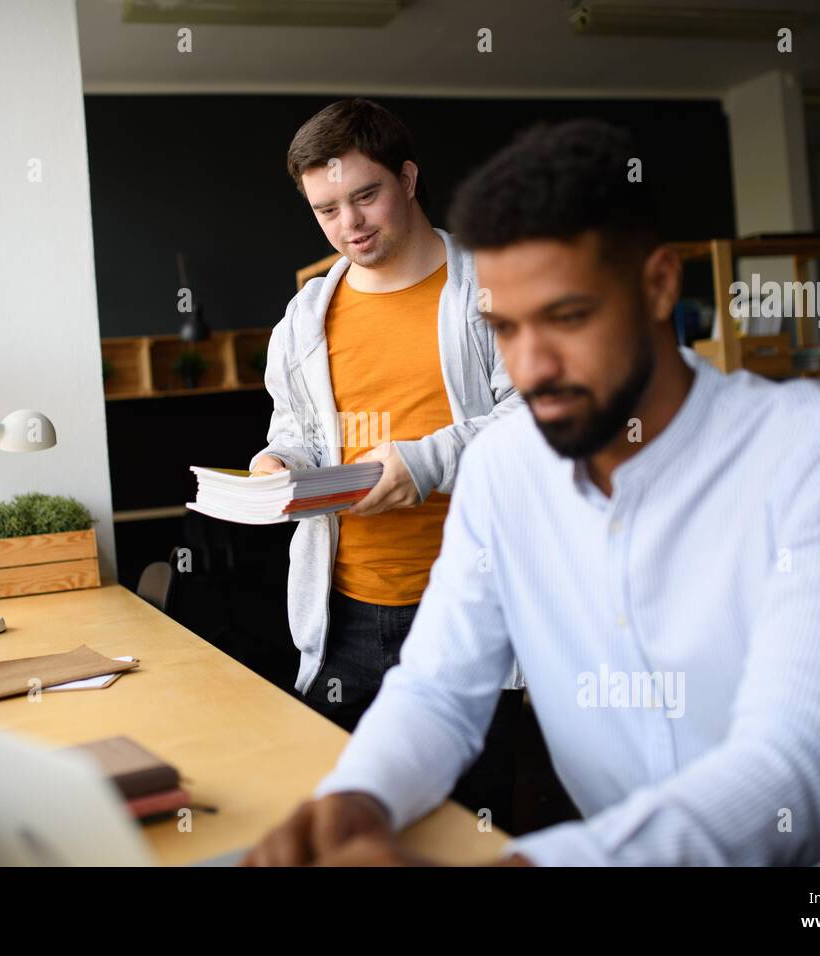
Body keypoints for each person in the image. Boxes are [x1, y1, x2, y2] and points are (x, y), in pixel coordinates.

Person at [243, 118, 820, 866]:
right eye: (506, 328)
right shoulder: (504, 467)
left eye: (567, 317)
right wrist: (356, 801)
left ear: (657, 284)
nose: (533, 368)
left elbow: (798, 768)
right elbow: (436, 692)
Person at [249, 99, 526, 825]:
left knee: (475, 826)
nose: (350, 225)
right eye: (327, 209)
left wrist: (428, 460)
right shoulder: (306, 316)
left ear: (408, 178)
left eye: (365, 196)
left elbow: (541, 418)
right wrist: (277, 462)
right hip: (344, 619)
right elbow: (296, 429)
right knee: (345, 827)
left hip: (472, 610)